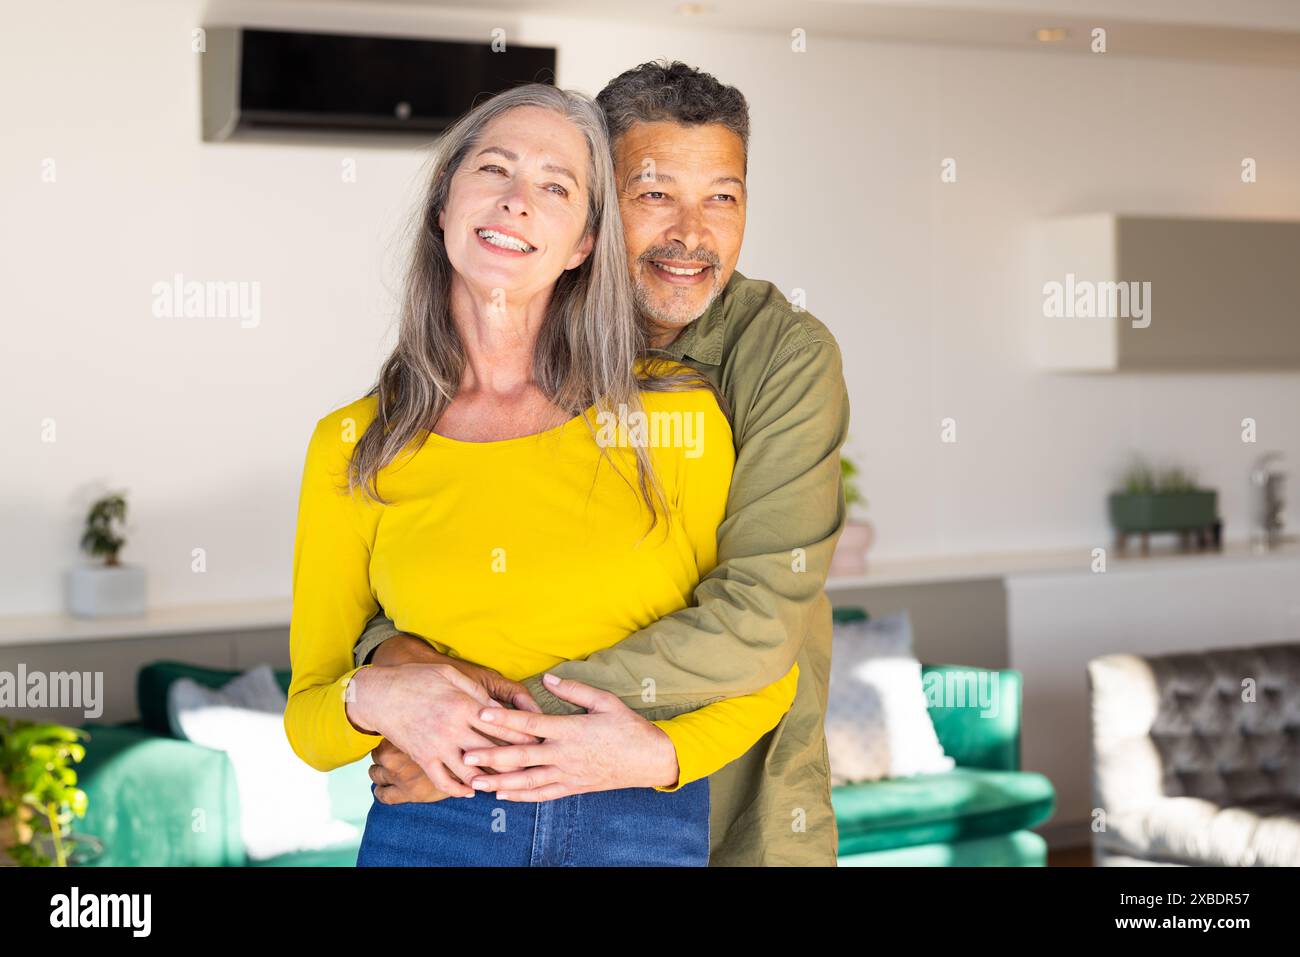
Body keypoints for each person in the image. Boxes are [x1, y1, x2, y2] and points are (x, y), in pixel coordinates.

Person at [283, 82, 800, 867]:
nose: (517, 201)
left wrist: (655, 757)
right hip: (432, 826)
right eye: (494, 170)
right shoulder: (354, 445)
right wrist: (380, 694)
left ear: (586, 242)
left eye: (555, 187)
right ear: (444, 204)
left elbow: (765, 669)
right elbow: (309, 716)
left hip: (637, 826)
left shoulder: (677, 417)